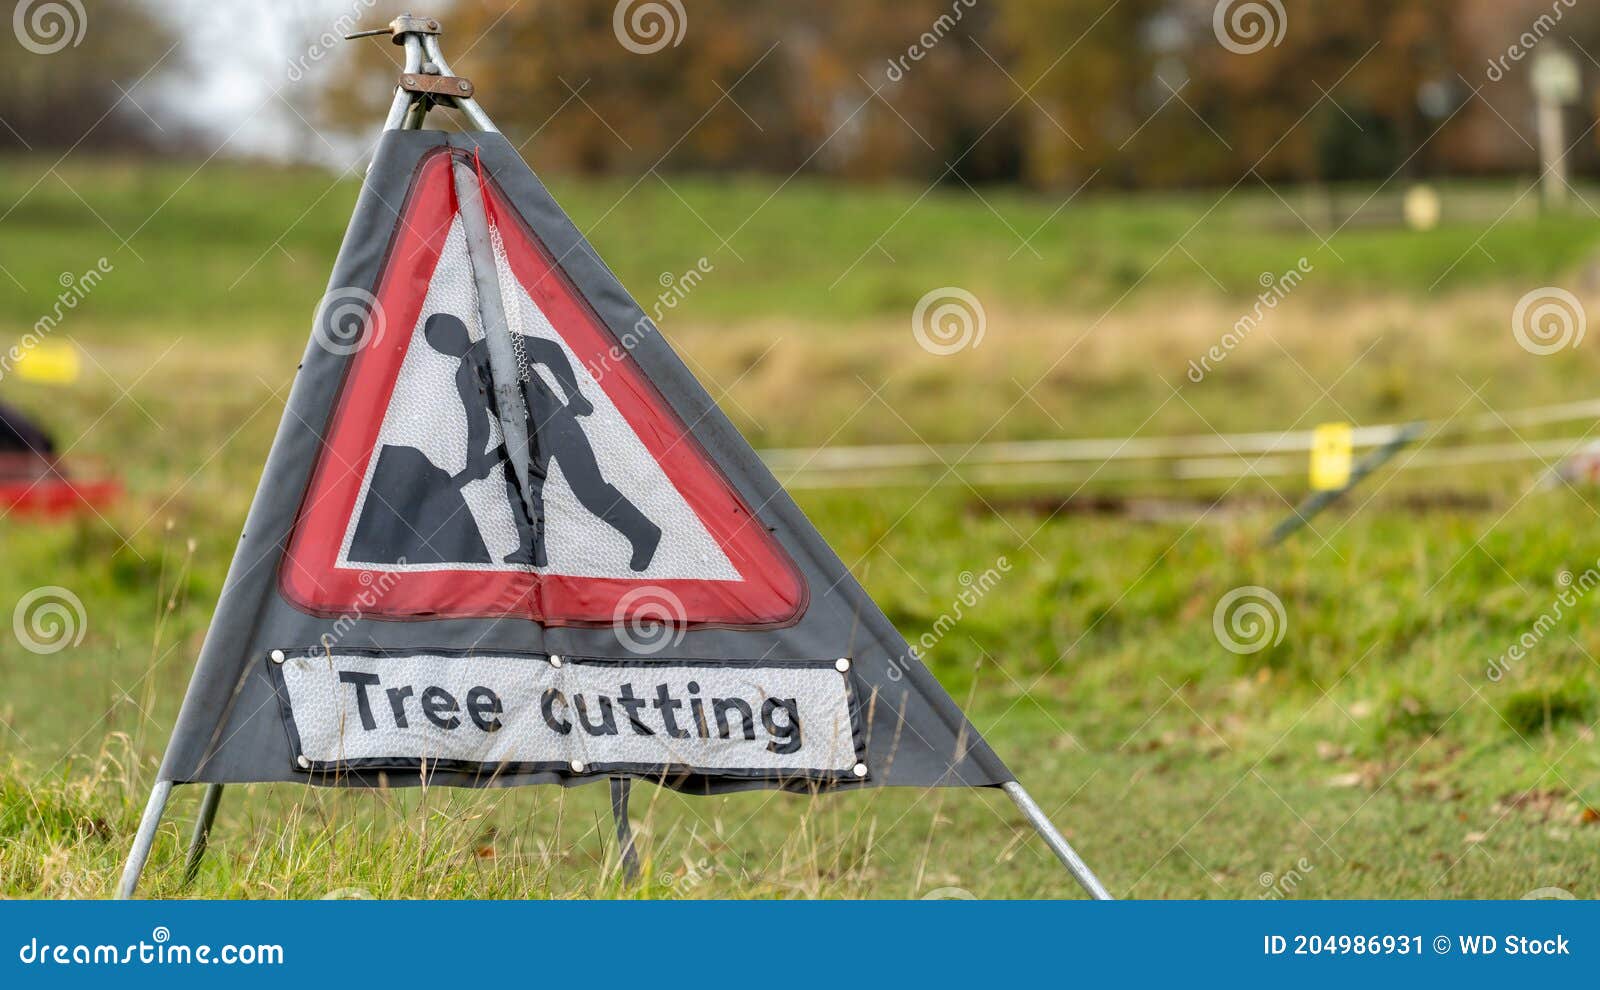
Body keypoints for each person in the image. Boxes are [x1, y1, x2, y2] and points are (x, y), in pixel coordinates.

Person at [423, 313, 661, 572]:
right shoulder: (466, 376)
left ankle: (645, 533)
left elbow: (551, 351)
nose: (446, 343)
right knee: (520, 487)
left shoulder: (501, 344)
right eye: (441, 340)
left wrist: (574, 394)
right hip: (524, 439)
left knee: (590, 491)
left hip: (555, 421)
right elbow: (477, 422)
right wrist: (475, 461)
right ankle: (533, 549)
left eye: (444, 337)